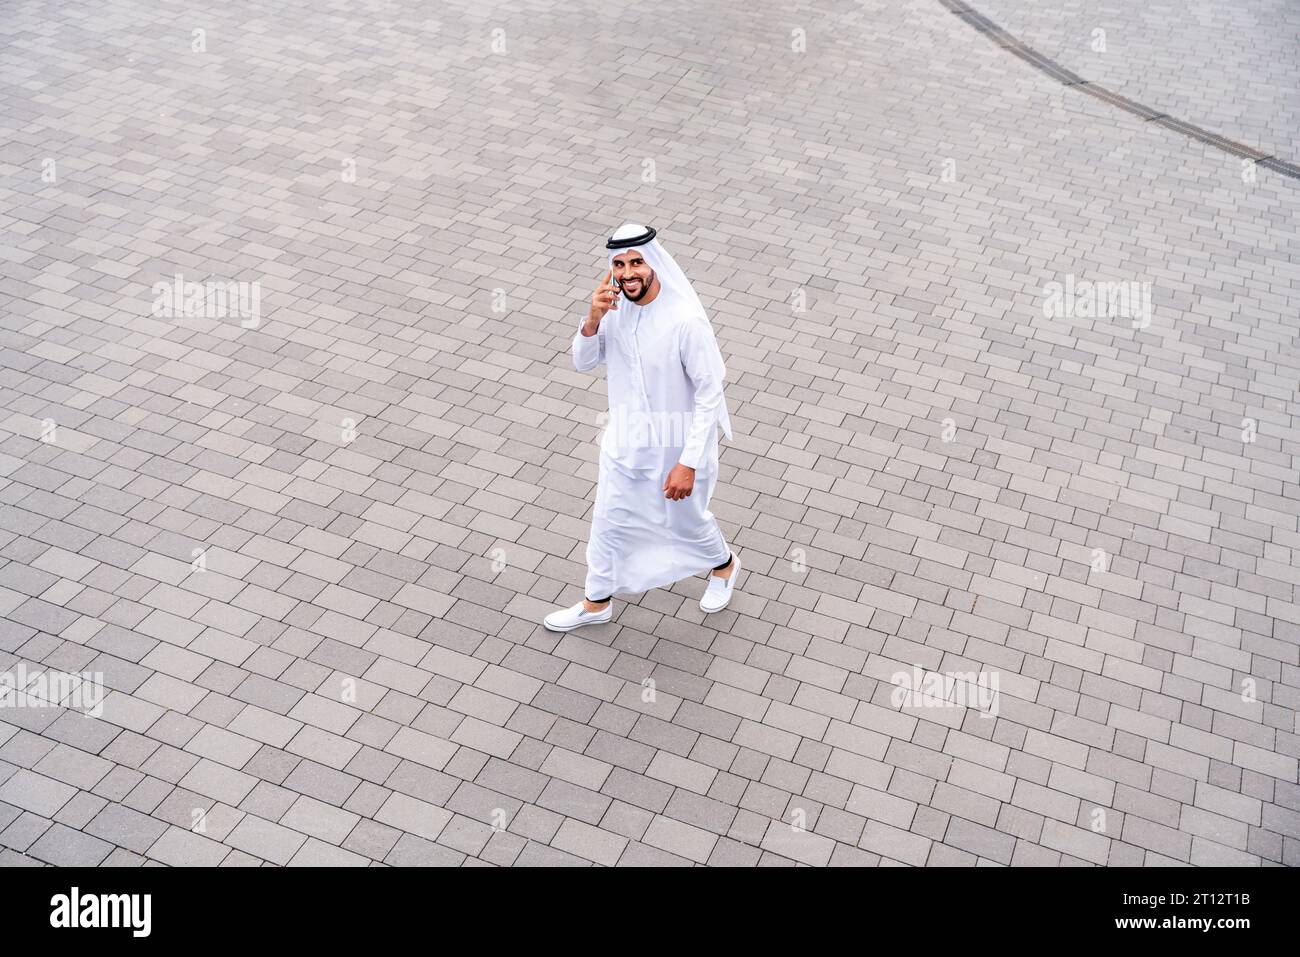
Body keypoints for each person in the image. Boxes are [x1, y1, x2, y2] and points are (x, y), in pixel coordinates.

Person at [543, 224, 742, 632]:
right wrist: (592, 319)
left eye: (636, 262)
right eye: (619, 264)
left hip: (677, 447)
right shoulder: (612, 311)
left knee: (687, 522)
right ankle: (595, 603)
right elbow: (582, 363)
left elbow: (709, 395)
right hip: (624, 444)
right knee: (608, 524)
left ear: (655, 266)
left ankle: (723, 565)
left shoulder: (685, 322)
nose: (628, 272)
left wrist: (688, 463)